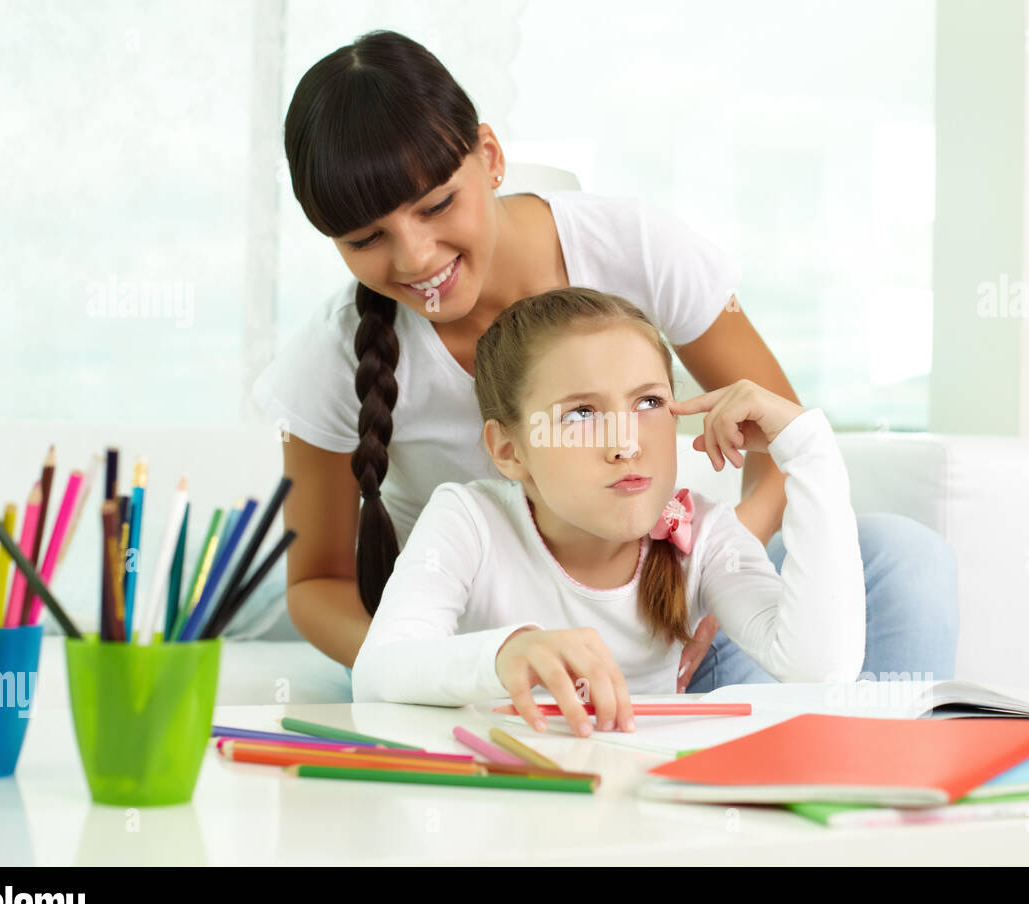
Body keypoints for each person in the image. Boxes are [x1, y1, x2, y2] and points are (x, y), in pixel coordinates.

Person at [253, 29, 958, 690]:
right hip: (512, 654)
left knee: (903, 562)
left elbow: (771, 425)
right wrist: (444, 664)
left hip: (664, 617)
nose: (416, 257)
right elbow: (317, 584)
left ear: (491, 158)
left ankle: (878, 781)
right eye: (366, 238)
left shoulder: (636, 246)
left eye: (437, 205)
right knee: (765, 726)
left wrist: (700, 568)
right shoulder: (340, 364)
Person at [353, 287, 866, 737]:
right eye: (581, 413)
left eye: (647, 403)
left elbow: (820, 671)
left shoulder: (705, 532)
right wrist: (508, 651)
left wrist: (808, 448)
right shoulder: (467, 520)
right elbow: (377, 674)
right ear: (508, 449)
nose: (625, 444)